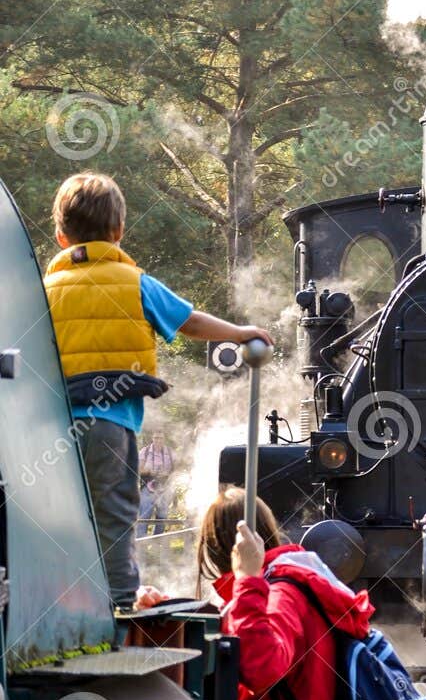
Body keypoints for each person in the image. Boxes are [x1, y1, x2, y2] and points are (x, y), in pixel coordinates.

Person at [44, 172, 273, 608]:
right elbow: (190, 321)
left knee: (59, 519)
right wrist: (241, 332)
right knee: (114, 515)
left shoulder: (45, 291)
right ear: (118, 232)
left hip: (52, 431)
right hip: (109, 427)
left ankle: (56, 602)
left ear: (59, 236)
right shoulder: (135, 284)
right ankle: (118, 603)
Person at [189, 489, 374, 700]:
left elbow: (263, 668)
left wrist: (247, 580)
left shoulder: (280, 592)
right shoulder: (290, 581)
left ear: (218, 548)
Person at [137, 433, 175, 538]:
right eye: (156, 438)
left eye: (161, 438)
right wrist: (151, 471)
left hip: (164, 488)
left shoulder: (170, 453)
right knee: (144, 517)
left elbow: (176, 469)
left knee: (162, 518)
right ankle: (141, 545)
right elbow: (139, 470)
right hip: (148, 487)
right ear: (152, 438)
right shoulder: (144, 451)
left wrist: (167, 474)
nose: (158, 440)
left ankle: (156, 545)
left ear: (164, 439)